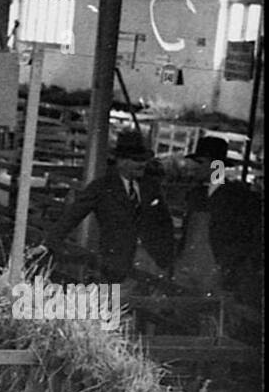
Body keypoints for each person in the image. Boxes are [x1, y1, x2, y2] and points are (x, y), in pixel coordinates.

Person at [47, 129, 175, 285]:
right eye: (136, 160)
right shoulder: (102, 187)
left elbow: (165, 222)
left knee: (150, 306)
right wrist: (50, 243)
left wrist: (168, 256)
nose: (142, 164)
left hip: (152, 262)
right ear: (121, 161)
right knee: (118, 304)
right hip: (117, 263)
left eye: (144, 159)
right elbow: (72, 216)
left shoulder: (151, 186)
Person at [174, 135, 264, 311]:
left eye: (200, 162)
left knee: (212, 321)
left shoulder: (239, 198)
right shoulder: (196, 195)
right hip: (187, 269)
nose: (194, 168)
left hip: (216, 273)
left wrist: (232, 267)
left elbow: (252, 238)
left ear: (216, 165)